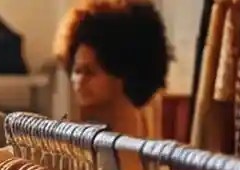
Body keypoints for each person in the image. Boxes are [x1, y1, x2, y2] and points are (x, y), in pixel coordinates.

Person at [55, 0, 168, 136]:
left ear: (121, 72)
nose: (80, 80)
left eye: (90, 72)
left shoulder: (130, 139)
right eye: (77, 70)